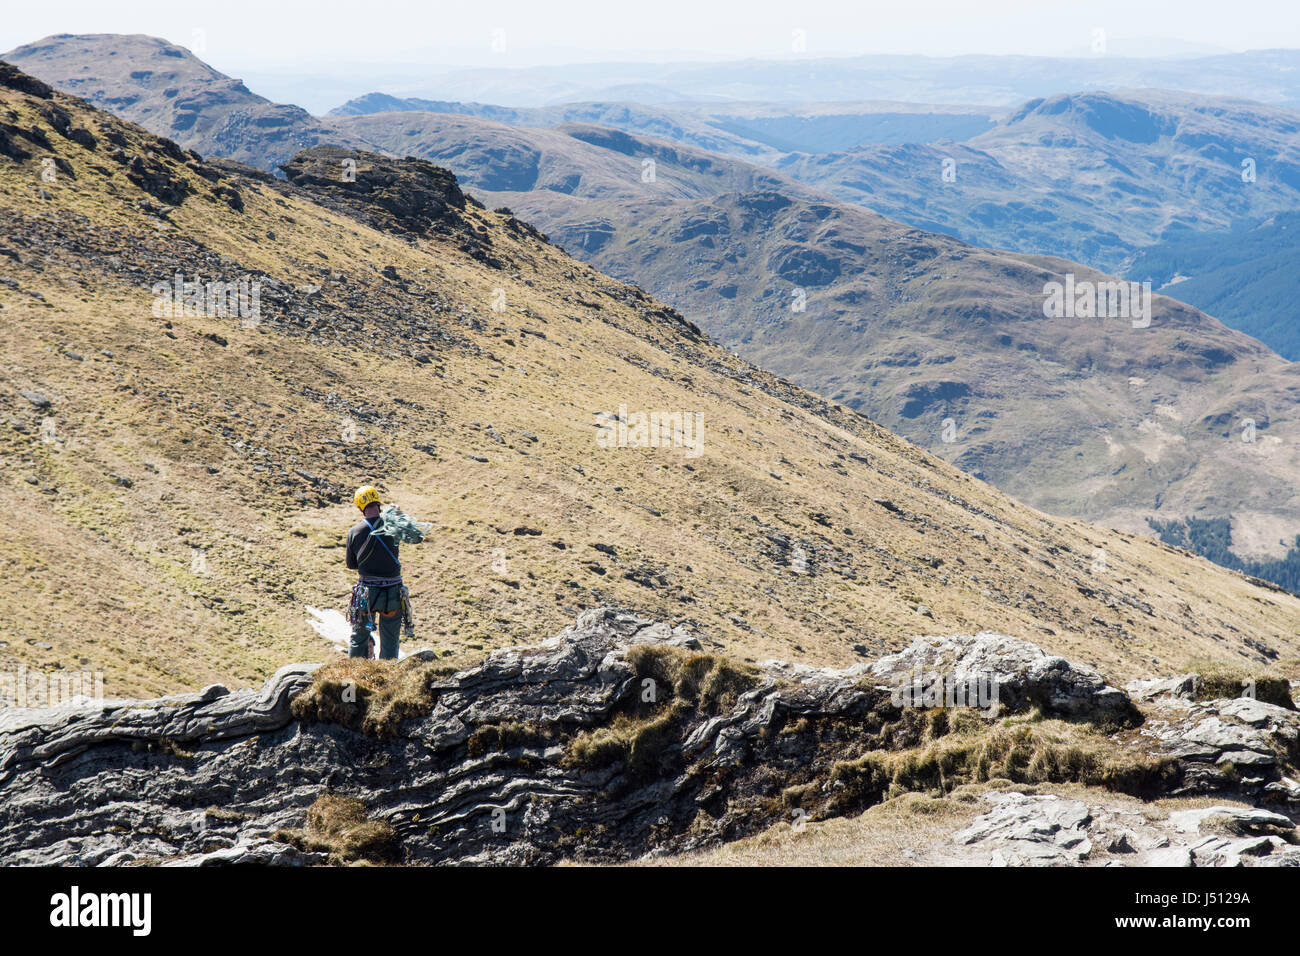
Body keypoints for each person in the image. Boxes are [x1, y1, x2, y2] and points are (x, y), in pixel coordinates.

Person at [345, 485, 406, 660]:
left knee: (358, 638)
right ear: (378, 504)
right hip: (393, 593)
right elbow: (415, 536)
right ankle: (388, 681)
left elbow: (351, 564)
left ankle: (351, 678)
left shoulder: (354, 532)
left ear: (359, 507)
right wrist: (398, 516)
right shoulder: (392, 526)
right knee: (390, 641)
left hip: (366, 594)